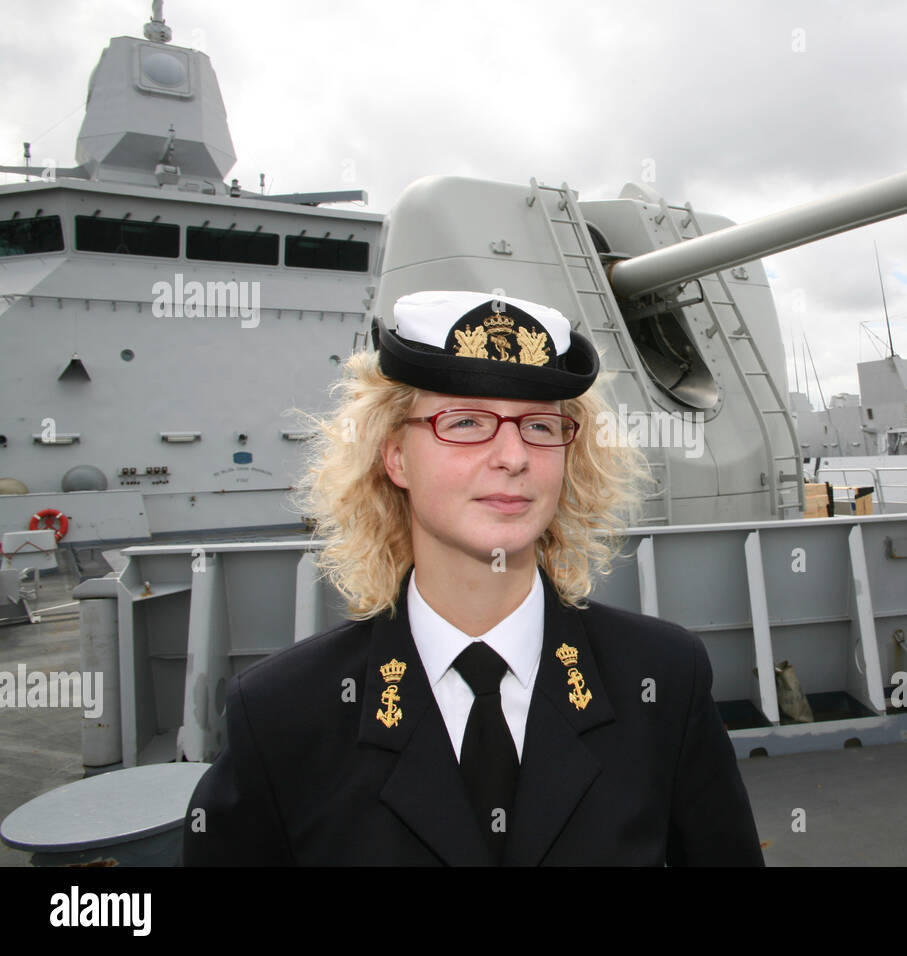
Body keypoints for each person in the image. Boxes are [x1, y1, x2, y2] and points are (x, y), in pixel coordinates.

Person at [183, 290, 764, 866]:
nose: (513, 456)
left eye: (539, 427)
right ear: (396, 457)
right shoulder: (283, 712)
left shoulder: (663, 679)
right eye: (464, 422)